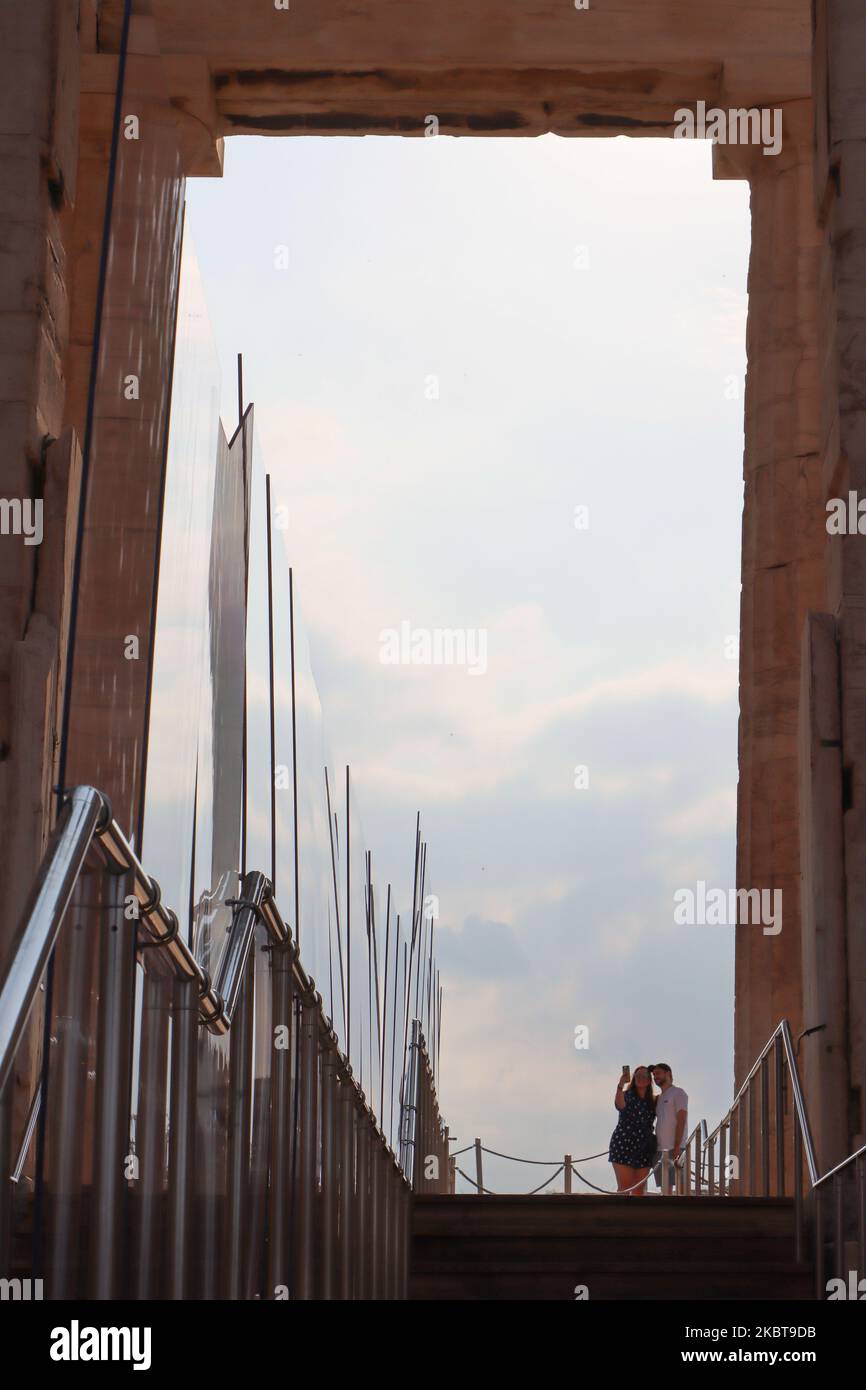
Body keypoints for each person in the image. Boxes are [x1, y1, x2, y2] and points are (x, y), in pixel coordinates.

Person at [608, 1064, 657, 1196]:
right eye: (638, 1075)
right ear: (634, 1078)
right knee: (625, 1187)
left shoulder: (653, 1101)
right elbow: (619, 1105)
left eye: (645, 1076)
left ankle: (637, 1217)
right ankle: (621, 1216)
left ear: (649, 1081)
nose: (641, 1078)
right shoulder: (626, 1095)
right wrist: (620, 1084)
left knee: (639, 1190)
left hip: (644, 1147)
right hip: (623, 1143)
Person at [651, 1062, 688, 1193]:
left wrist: (677, 1145)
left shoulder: (678, 1093)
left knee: (681, 1185)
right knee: (665, 1189)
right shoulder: (658, 1098)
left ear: (668, 1074)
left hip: (676, 1147)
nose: (655, 1077)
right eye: (654, 1074)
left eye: (658, 1073)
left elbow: (681, 1119)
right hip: (660, 1149)